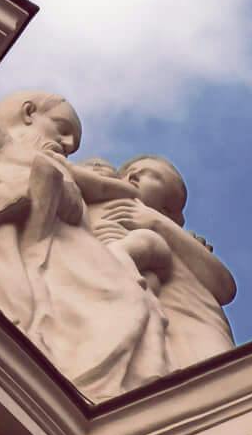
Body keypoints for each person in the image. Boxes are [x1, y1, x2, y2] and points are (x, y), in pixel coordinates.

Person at [0, 93, 171, 395]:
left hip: (66, 272)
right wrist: (30, 187)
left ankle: (97, 395)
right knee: (118, 309)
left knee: (132, 308)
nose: (67, 144)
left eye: (73, 144)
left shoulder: (55, 166)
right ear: (29, 112)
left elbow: (103, 188)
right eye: (63, 128)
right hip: (4, 251)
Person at [89, 155, 236, 368]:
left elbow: (224, 287)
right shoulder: (97, 210)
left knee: (219, 374)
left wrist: (159, 224)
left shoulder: (173, 237)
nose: (180, 218)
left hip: (193, 326)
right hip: (132, 325)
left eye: (172, 207)